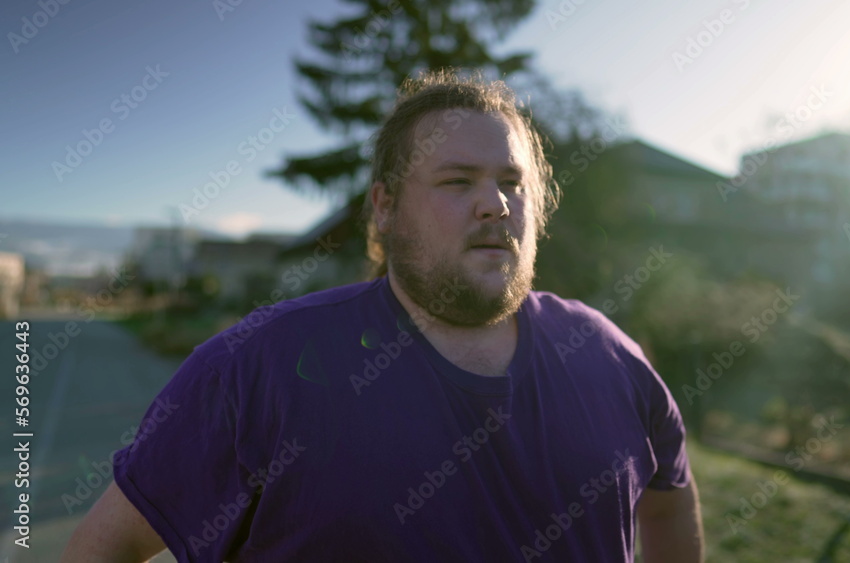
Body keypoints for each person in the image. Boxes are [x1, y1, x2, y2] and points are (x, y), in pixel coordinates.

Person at [62, 70, 703, 562]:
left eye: (513, 182)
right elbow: (102, 548)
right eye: (458, 181)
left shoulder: (610, 356)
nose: (496, 205)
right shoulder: (260, 366)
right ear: (386, 206)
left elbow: (671, 504)